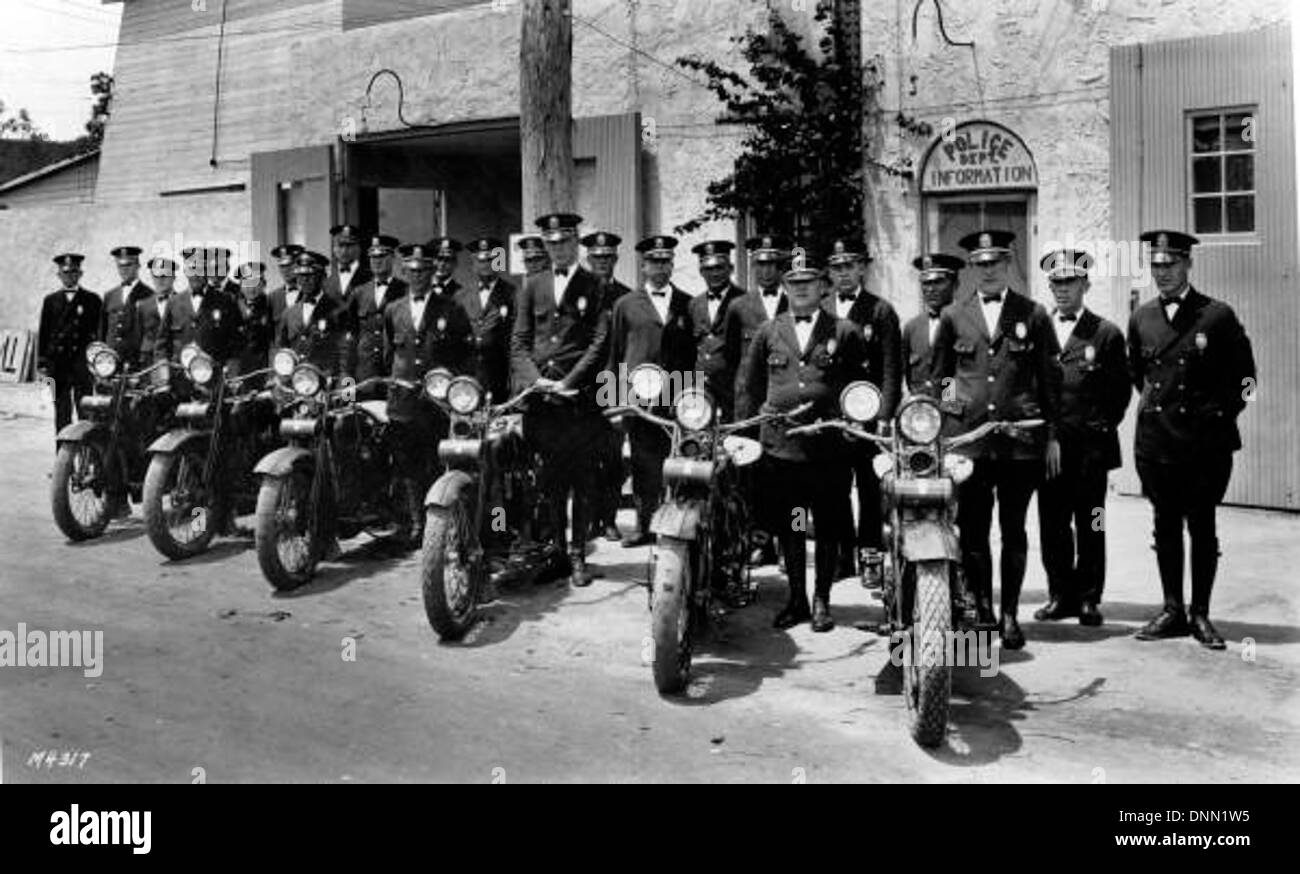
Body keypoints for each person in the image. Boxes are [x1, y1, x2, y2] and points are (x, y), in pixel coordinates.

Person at [930, 229, 1063, 650]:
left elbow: (1049, 382)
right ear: (971, 268)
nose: (988, 271)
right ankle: (983, 611)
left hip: (1018, 443)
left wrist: (1052, 436)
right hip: (969, 443)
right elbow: (942, 379)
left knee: (1014, 530)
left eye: (996, 263)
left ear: (1008, 265)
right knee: (972, 530)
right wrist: (955, 415)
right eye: (980, 264)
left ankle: (1010, 615)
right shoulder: (954, 315)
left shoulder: (1034, 314)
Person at [1127, 230, 1256, 650]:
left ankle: (1200, 613)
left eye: (1171, 265)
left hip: (1204, 447)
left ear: (1187, 265)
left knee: (1202, 527)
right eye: (1157, 266)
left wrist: (1218, 416)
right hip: (1158, 444)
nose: (1162, 273)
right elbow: (1138, 376)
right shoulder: (1142, 317)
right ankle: (1171, 609)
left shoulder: (1216, 315)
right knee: (1164, 526)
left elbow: (1248, 381)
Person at [736, 259, 868, 631]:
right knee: (793, 524)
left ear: (822, 287)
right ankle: (797, 599)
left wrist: (853, 427)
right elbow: (750, 385)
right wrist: (746, 436)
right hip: (783, 451)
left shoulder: (844, 331)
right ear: (786, 288)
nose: (801, 289)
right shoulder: (768, 331)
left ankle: (822, 599)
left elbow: (862, 388)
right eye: (794, 284)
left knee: (826, 525)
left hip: (828, 451)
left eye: (809, 283)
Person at [510, 212, 611, 587]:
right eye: (551, 243)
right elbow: (519, 342)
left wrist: (569, 381)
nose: (558, 249)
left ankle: (578, 554)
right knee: (550, 481)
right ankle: (555, 550)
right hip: (541, 402)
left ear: (576, 243)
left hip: (578, 400)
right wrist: (535, 382)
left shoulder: (594, 284)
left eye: (565, 242)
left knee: (582, 480)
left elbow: (600, 342)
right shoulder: (532, 285)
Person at [1032, 248, 1130, 628]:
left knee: (1092, 522)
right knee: (1052, 525)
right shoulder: (1037, 328)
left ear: (1085, 284)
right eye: (1056, 282)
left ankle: (1090, 597)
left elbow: (1120, 392)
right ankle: (1061, 595)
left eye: (1070, 282)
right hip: (1049, 449)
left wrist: (1097, 433)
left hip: (1090, 450)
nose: (1062, 289)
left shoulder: (1105, 333)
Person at [608, 235, 695, 548]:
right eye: (653, 262)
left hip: (678, 398)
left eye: (665, 262)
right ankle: (645, 526)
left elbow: (695, 355)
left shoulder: (688, 303)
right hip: (640, 400)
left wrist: (693, 398)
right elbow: (615, 356)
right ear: (643, 267)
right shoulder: (625, 305)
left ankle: (679, 524)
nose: (660, 268)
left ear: (672, 265)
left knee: (681, 464)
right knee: (645, 467)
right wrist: (616, 403)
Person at [823, 236, 902, 583]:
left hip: (868, 416)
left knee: (870, 488)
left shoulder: (880, 310)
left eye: (849, 266)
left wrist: (884, 415)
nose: (843, 273)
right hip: (830, 416)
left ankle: (870, 553)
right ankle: (843, 554)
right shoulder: (820, 306)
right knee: (835, 488)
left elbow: (890, 368)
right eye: (837, 267)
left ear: (862, 268)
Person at [385, 243, 473, 546]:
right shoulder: (393, 309)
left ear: (433, 272)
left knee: (437, 460)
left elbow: (465, 354)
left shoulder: (451, 308)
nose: (418, 276)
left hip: (438, 402)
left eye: (423, 270)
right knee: (407, 464)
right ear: (404, 272)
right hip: (404, 402)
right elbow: (390, 355)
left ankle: (440, 522)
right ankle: (415, 523)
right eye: (412, 271)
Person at [583, 230, 632, 542]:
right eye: (596, 257)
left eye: (607, 257)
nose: (602, 262)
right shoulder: (577, 292)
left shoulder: (626, 297)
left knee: (612, 457)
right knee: (584, 456)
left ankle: (610, 518)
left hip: (612, 383)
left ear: (615, 259)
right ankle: (588, 520)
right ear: (588, 259)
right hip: (582, 386)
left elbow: (629, 344)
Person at [37, 253, 102, 435]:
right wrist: (42, 364)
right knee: (62, 415)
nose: (69, 276)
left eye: (73, 272)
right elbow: (44, 333)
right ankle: (63, 461)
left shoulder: (92, 300)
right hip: (58, 367)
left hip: (82, 367)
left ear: (80, 274)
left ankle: (88, 458)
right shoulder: (50, 301)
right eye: (65, 273)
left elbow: (98, 335)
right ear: (59, 275)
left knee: (85, 413)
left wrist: (97, 365)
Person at [156, 247, 244, 376]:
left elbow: (236, 342)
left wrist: (231, 372)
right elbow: (161, 344)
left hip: (214, 377)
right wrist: (164, 372)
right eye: (192, 269)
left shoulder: (226, 300)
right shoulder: (173, 302)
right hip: (180, 379)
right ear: (185, 271)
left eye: (200, 269)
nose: (196, 275)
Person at [688, 240, 746, 423]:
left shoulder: (745, 301)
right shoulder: (694, 304)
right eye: (708, 269)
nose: (714, 274)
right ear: (701, 272)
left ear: (731, 268)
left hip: (734, 388)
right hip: (702, 389)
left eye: (720, 267)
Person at [274, 250, 355, 377]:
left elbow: (346, 356)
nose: (304, 281)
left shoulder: (338, 310)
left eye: (310, 276)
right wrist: (282, 380)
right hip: (297, 383)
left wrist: (346, 395)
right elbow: (282, 352)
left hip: (327, 384)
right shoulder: (289, 313)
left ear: (322, 277)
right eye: (301, 276)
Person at [456, 237, 515, 404]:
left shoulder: (512, 294)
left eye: (490, 260)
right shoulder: (461, 296)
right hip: (468, 375)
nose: (485, 265)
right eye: (480, 260)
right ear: (473, 263)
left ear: (498, 261)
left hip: (500, 374)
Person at [901, 253, 963, 397]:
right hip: (921, 412)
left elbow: (962, 375)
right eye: (926, 283)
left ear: (955, 284)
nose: (930, 289)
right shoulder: (912, 327)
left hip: (955, 409)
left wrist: (950, 404)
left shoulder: (965, 322)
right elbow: (907, 374)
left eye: (938, 282)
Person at [350, 234, 406, 390]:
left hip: (394, 373)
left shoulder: (405, 291)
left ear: (392, 258)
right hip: (364, 373)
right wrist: (348, 387)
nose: (377, 261)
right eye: (373, 257)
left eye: (382, 256)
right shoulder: (359, 293)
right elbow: (351, 336)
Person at [99, 246, 152, 365]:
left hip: (137, 364)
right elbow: (102, 332)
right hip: (110, 364)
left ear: (138, 266)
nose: (124, 270)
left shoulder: (149, 295)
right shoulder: (110, 296)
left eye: (128, 265)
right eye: (120, 266)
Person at [130, 256, 179, 372]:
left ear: (173, 277)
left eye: (165, 276)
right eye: (157, 276)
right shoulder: (143, 305)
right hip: (148, 363)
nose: (160, 280)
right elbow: (137, 339)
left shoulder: (183, 303)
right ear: (152, 277)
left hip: (175, 362)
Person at [233, 261, 274, 375]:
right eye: (246, 283)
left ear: (263, 284)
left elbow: (274, 342)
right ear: (240, 286)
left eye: (255, 283)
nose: (251, 289)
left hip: (264, 367)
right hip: (239, 368)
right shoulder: (233, 307)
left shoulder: (271, 305)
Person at [324, 224, 371, 305]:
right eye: (340, 245)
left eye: (349, 246)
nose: (344, 251)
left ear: (358, 248)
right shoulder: (326, 279)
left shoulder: (370, 277)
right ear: (334, 249)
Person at [267, 243, 305, 328]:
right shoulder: (272, 298)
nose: (285, 270)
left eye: (290, 265)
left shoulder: (311, 293)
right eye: (282, 266)